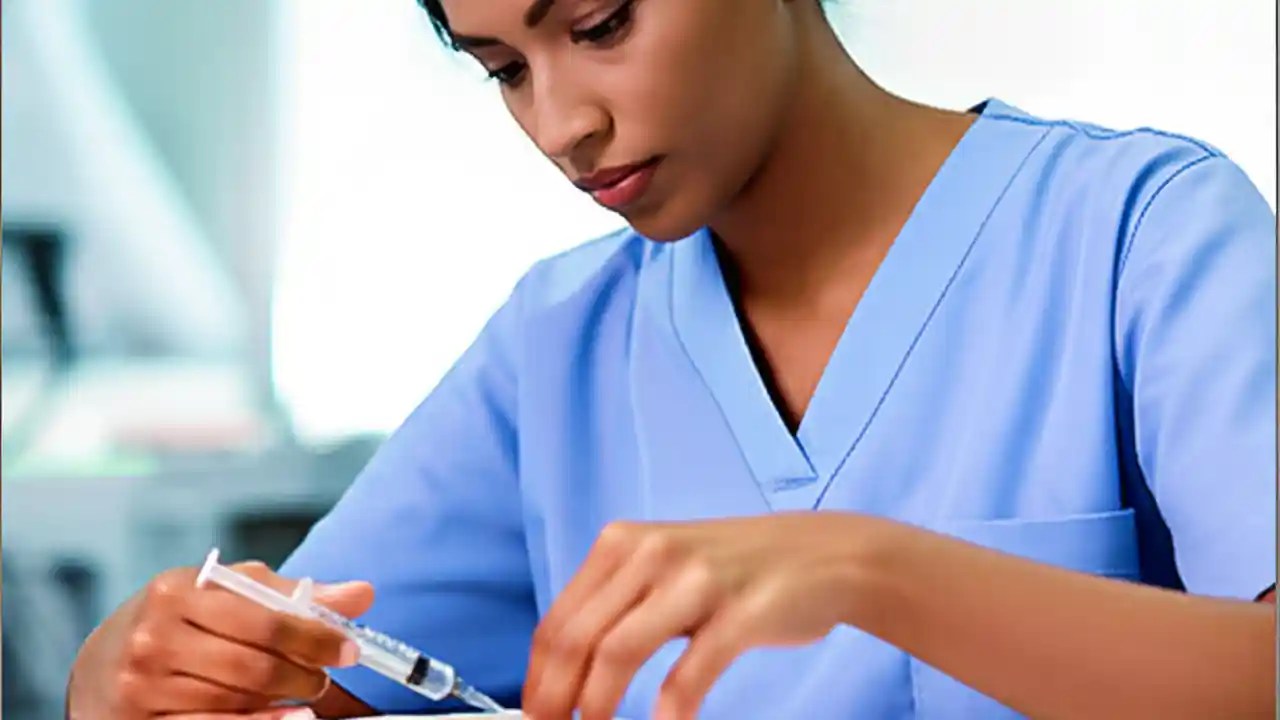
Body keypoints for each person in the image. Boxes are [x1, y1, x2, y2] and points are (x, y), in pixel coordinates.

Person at [68, 0, 1277, 718]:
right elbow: (299, 669)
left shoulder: (1137, 232)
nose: (560, 124)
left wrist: (873, 573)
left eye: (598, 24)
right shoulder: (555, 349)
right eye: (501, 70)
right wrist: (134, 661)